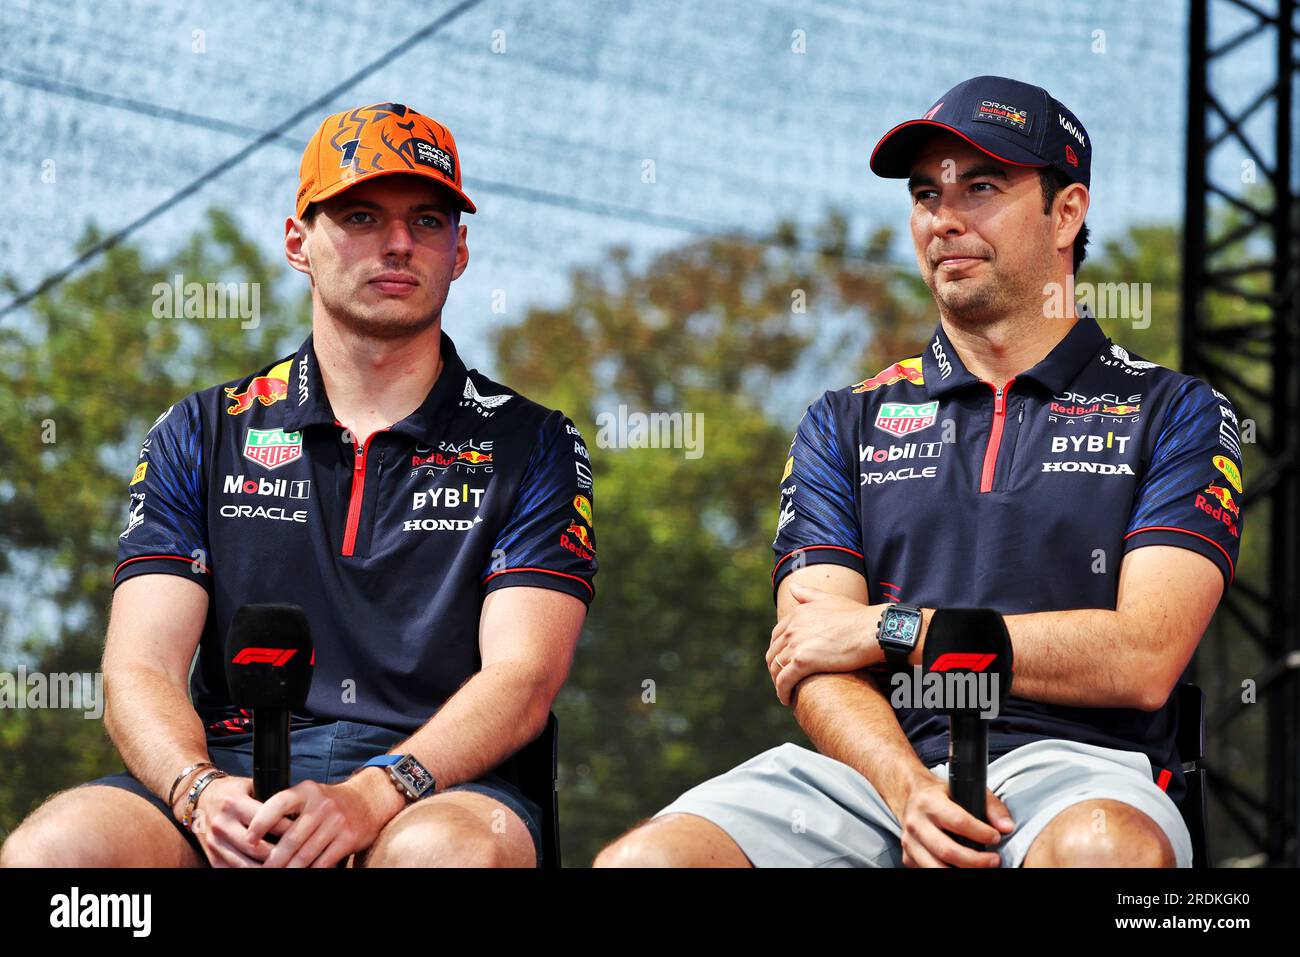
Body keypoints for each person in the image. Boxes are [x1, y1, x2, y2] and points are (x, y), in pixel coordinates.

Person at [595, 75, 1243, 868]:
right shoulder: (843, 418)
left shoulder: (1175, 409)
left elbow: (1144, 658)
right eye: (925, 193)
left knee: (1106, 850)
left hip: (1079, 770)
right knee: (647, 861)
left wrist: (890, 628)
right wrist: (909, 791)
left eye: (982, 186)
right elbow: (808, 657)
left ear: (1067, 211)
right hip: (869, 777)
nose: (945, 218)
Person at [0, 102, 597, 868]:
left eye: (427, 219)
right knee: (56, 853)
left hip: (432, 790)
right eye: (358, 215)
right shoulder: (200, 428)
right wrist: (197, 789)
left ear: (460, 251)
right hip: (225, 782)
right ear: (297, 242)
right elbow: (139, 667)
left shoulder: (534, 440)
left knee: (447, 856)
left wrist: (370, 795)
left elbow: (523, 677)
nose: (397, 243)